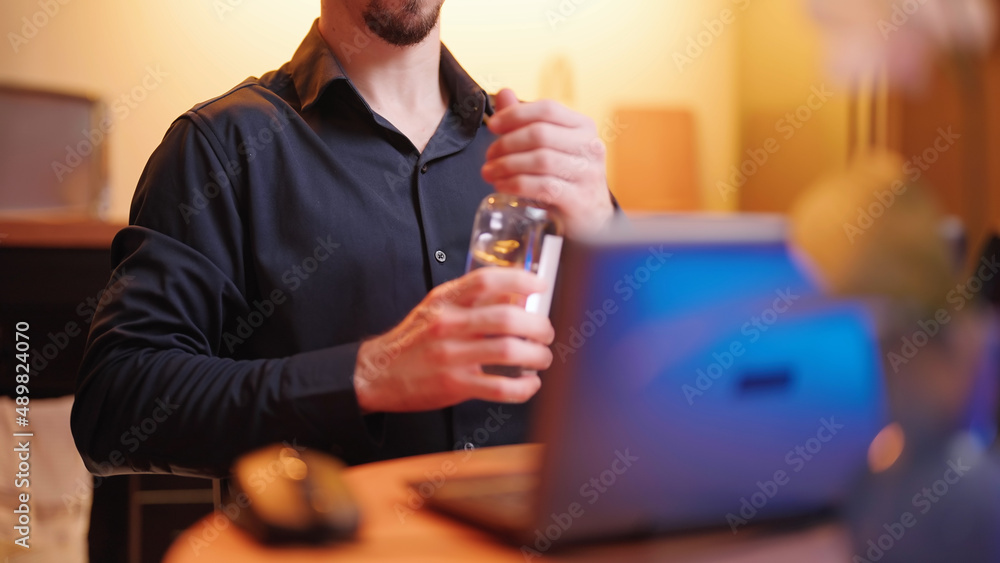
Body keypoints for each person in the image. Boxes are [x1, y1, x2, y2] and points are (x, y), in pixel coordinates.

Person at [71, 0, 615, 478]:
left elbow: (664, 388)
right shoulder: (219, 148)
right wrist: (365, 375)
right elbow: (115, 408)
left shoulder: (546, 160)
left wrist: (607, 231)